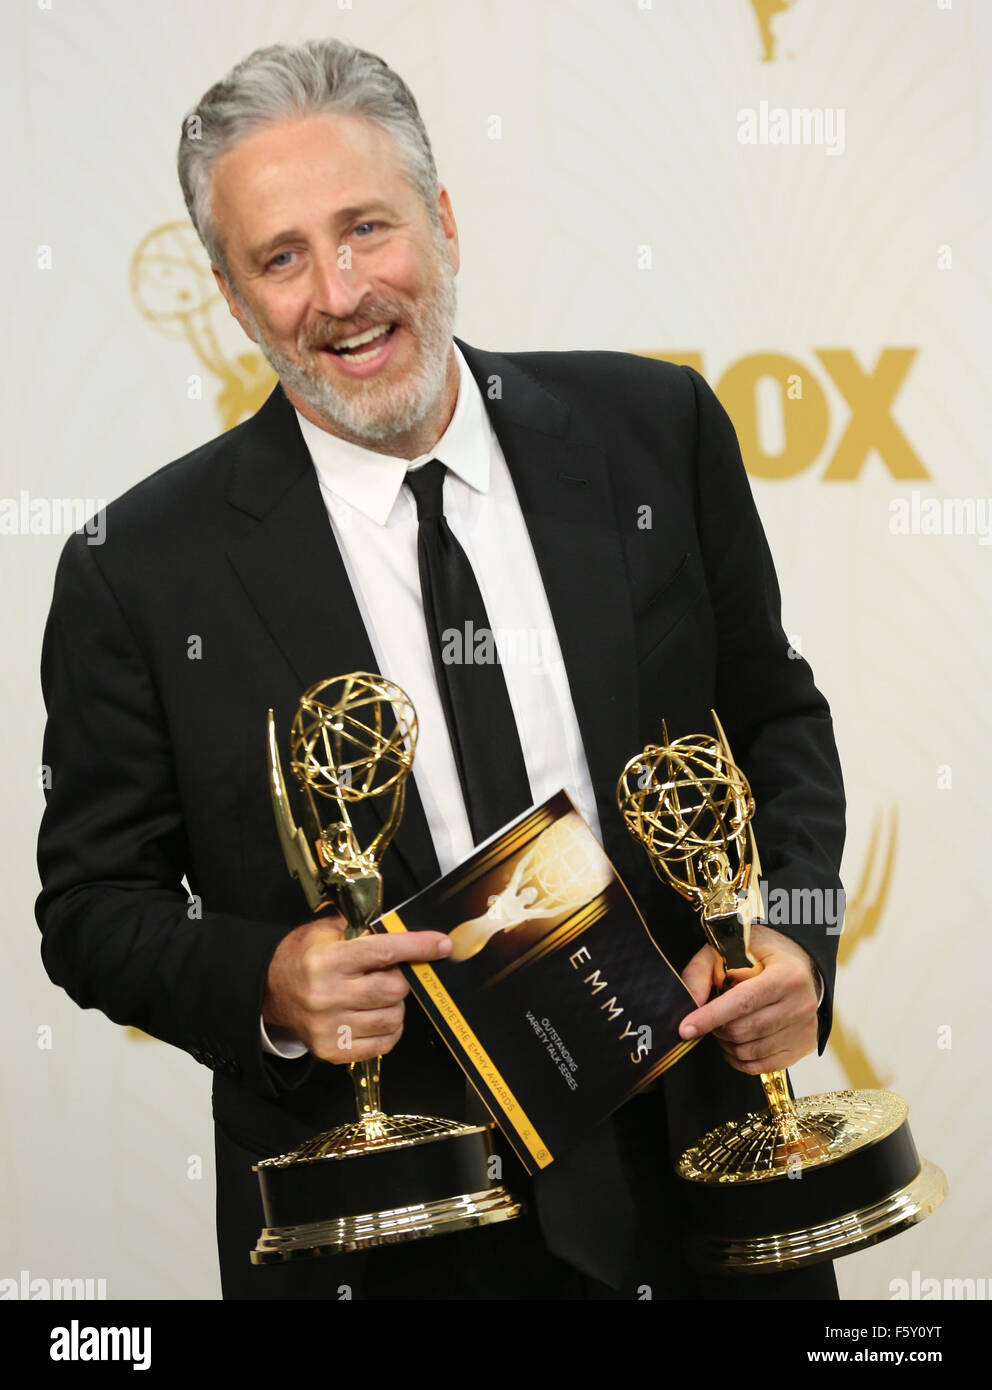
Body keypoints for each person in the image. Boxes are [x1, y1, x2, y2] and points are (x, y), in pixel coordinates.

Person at [35, 37, 845, 1301]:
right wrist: (264, 980)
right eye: (280, 257)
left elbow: (773, 717)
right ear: (231, 296)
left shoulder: (654, 434)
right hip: (381, 1233)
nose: (340, 291)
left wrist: (794, 938)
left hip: (701, 1191)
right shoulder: (137, 568)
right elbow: (90, 905)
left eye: (367, 227)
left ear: (445, 221)